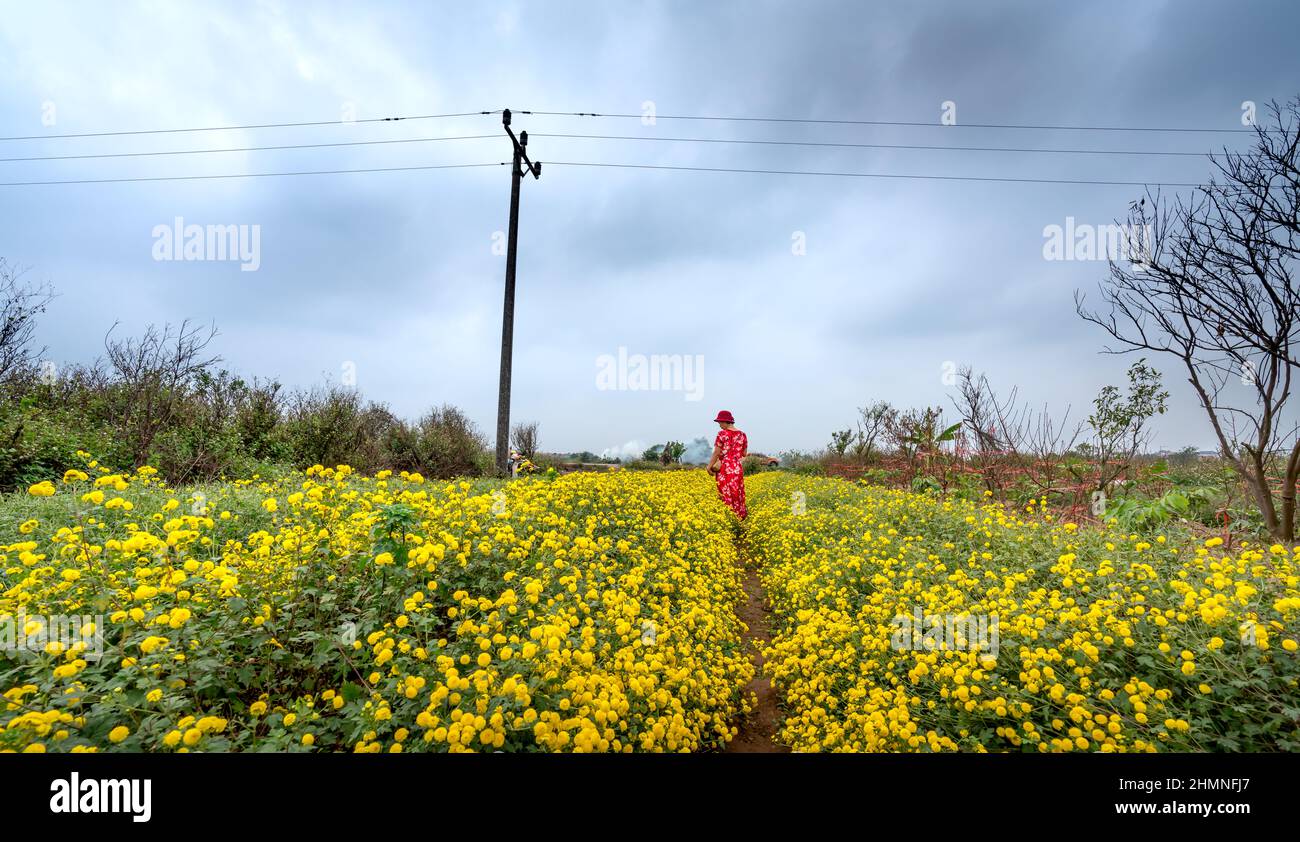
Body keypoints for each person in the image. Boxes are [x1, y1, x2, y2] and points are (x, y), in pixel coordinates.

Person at [707, 410, 747, 519]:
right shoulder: (742, 435)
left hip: (725, 468)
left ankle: (729, 519)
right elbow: (744, 454)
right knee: (737, 492)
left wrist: (709, 466)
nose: (719, 425)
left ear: (726, 421)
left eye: (720, 422)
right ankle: (740, 517)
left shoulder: (722, 434)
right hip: (737, 467)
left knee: (725, 493)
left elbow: (716, 452)